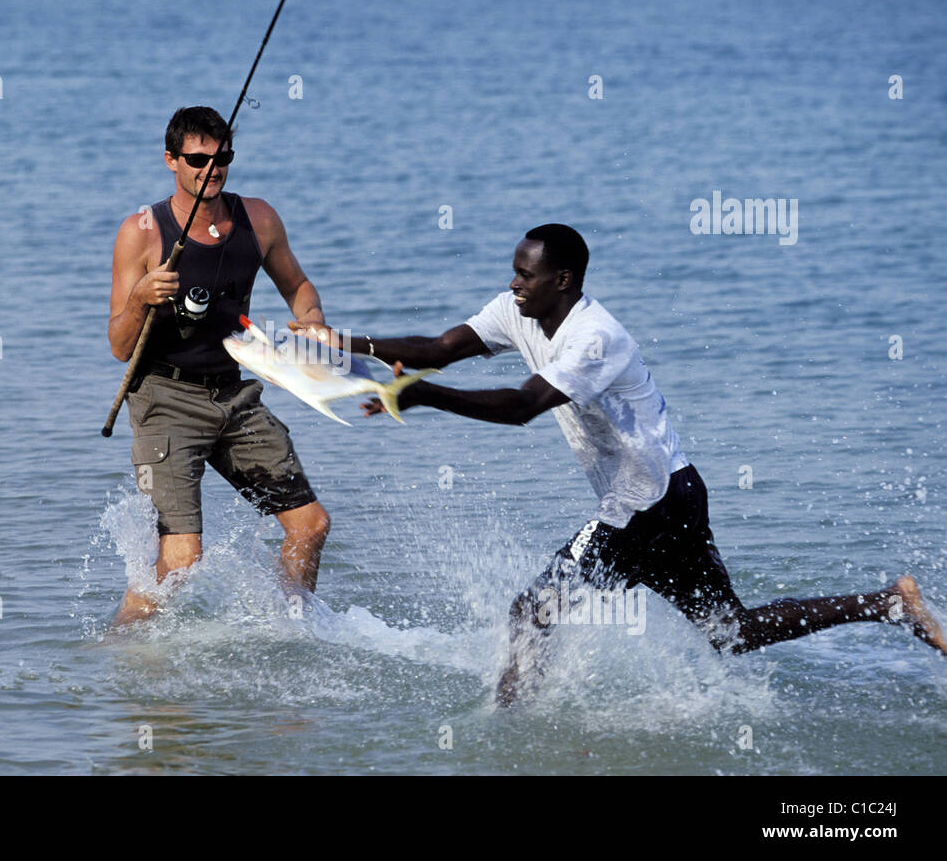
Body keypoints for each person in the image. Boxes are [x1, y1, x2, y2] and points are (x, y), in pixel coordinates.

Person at [347, 223, 947, 703]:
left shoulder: (594, 338)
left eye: (524, 275)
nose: (513, 284)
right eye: (512, 272)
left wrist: (420, 394)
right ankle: (888, 603)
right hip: (674, 492)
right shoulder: (517, 310)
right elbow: (439, 348)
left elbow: (522, 406)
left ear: (563, 279)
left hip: (645, 500)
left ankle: (507, 727)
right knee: (731, 634)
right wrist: (349, 343)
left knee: (534, 610)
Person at [107, 106, 331, 625]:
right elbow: (119, 346)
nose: (212, 169)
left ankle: (293, 630)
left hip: (233, 396)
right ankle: (122, 651)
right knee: (182, 559)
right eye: (197, 159)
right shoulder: (141, 232)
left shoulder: (259, 218)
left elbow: (297, 287)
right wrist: (142, 297)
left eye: (222, 157)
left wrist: (313, 319)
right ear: (171, 161)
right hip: (165, 399)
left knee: (310, 524)